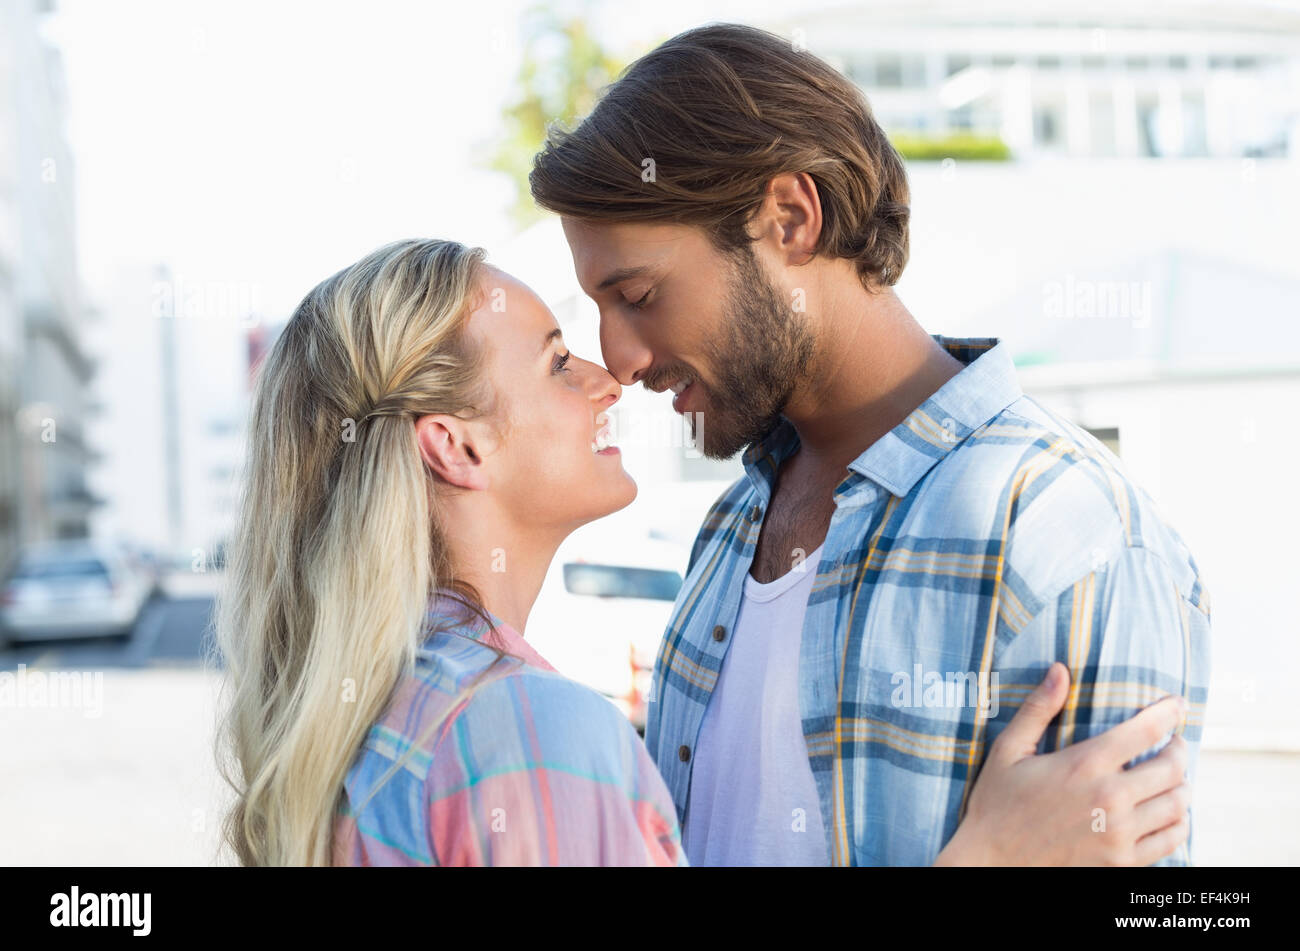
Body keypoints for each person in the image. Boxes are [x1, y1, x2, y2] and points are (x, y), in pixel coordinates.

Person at [213, 238, 1194, 867]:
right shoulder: (528, 731)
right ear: (455, 444)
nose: (609, 376)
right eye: (558, 360)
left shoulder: (388, 699)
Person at [528, 23, 1210, 865]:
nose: (622, 358)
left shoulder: (1068, 533)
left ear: (790, 219)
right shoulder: (730, 528)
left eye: (637, 294)